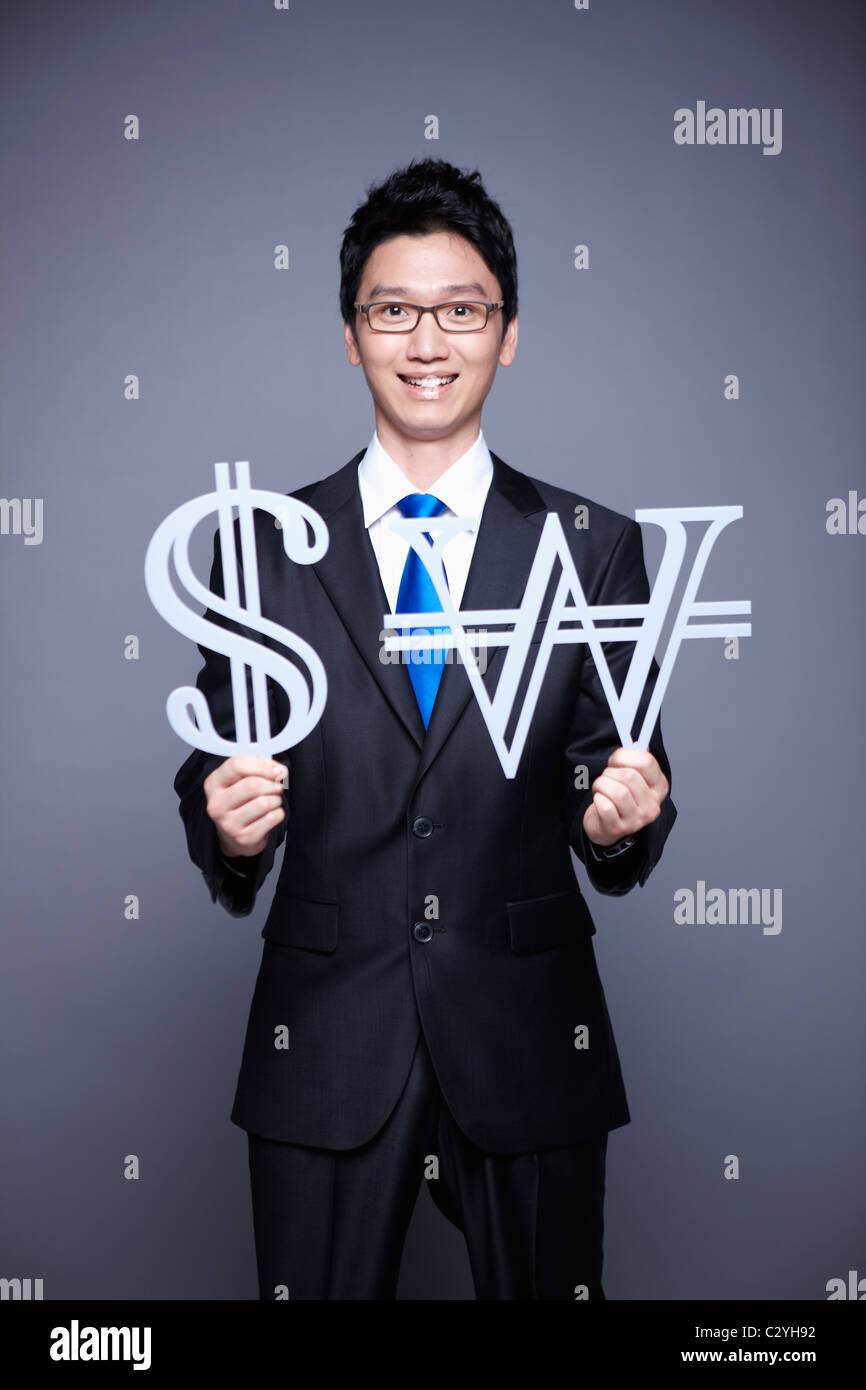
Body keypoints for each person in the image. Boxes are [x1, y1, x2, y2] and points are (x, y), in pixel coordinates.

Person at [173, 157, 677, 1300]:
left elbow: (620, 778)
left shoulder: (592, 544)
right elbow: (208, 770)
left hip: (528, 1030)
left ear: (507, 334)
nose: (426, 341)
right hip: (327, 1034)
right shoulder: (261, 549)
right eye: (392, 310)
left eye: (461, 310)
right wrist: (231, 829)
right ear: (351, 335)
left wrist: (618, 817)